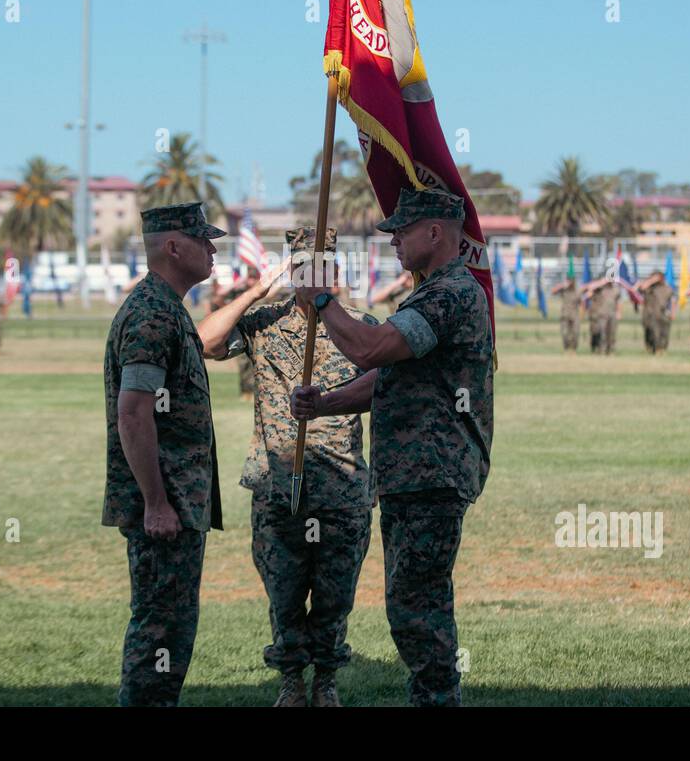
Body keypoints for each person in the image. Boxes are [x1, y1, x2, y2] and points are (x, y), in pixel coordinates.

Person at [291, 188, 493, 707]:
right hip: (415, 476)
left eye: (403, 230)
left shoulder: (450, 294)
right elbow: (388, 373)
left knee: (417, 608)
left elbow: (370, 347)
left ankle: (436, 700)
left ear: (435, 232)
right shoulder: (434, 292)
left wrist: (320, 301)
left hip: (431, 474)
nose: (394, 240)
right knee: (415, 603)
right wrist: (328, 404)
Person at [198, 227, 374, 708]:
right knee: (284, 592)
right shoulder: (263, 324)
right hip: (279, 486)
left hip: (341, 485)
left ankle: (326, 681)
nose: (314, 279)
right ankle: (292, 682)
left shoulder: (360, 326)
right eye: (303, 269)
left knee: (337, 595)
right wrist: (256, 290)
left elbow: (386, 381)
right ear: (292, 273)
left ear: (336, 273)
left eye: (322, 269)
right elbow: (205, 340)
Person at [102, 202, 227, 707]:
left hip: (176, 503)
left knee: (170, 629)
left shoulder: (166, 308)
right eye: (203, 239)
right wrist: (156, 502)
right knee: (159, 629)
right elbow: (133, 413)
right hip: (165, 507)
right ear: (174, 247)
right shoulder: (152, 314)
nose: (213, 248)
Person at [209, 268, 259, 398]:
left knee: (258, 364)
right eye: (250, 278)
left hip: (258, 332)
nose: (251, 281)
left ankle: (254, 392)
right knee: (243, 364)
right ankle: (245, 391)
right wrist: (238, 282)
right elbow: (219, 295)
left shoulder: (261, 292)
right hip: (241, 332)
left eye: (254, 278)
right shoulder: (239, 291)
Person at [637, 271, 673, 355]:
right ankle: (653, 348)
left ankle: (661, 349)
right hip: (650, 314)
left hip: (663, 314)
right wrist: (651, 281)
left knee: (663, 333)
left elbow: (672, 300)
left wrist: (672, 312)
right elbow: (641, 288)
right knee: (651, 332)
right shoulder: (649, 288)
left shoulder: (666, 288)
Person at [549, 277, 581, 352]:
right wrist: (562, 285)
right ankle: (566, 347)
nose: (571, 283)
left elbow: (581, 303)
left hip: (575, 316)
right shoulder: (564, 290)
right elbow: (553, 291)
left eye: (572, 281)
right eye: (569, 281)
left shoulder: (577, 291)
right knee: (564, 333)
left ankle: (573, 348)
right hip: (565, 315)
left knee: (575, 333)